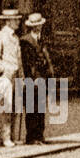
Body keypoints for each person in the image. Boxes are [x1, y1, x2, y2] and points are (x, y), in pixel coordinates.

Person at [0, 9, 24, 147]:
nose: (18, 22)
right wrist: (6, 70)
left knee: (15, 107)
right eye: (16, 20)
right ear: (8, 21)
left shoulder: (15, 38)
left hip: (15, 76)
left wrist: (20, 73)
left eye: (18, 20)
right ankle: (5, 137)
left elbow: (18, 59)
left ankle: (13, 136)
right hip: (4, 77)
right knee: (5, 107)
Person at [20, 14, 55, 145]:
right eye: (36, 25)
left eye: (39, 25)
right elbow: (27, 62)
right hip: (32, 78)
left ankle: (40, 135)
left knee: (40, 107)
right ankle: (31, 136)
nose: (38, 27)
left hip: (42, 77)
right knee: (31, 107)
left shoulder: (41, 40)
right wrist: (32, 77)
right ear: (31, 27)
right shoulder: (26, 41)